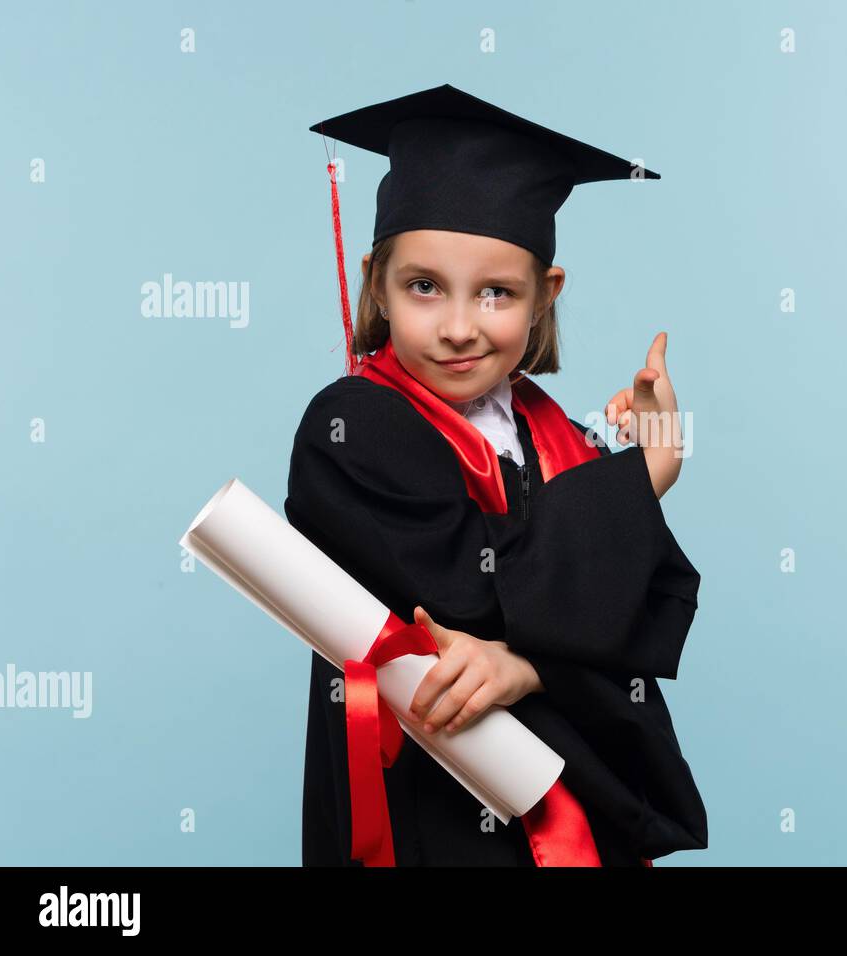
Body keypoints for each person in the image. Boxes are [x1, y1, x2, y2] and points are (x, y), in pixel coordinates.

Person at [285, 83, 707, 866]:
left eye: (497, 293)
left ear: (545, 297)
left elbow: (644, 620)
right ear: (376, 280)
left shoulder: (559, 439)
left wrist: (525, 665)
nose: (457, 326)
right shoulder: (350, 428)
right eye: (423, 287)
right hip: (431, 808)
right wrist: (640, 478)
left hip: (562, 803)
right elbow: (464, 596)